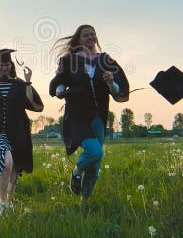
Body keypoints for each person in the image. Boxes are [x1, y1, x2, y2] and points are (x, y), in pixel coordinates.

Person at [48, 25, 129, 206]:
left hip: (99, 115)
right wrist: (60, 90)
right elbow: (59, 82)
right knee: (95, 151)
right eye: (86, 35)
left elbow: (117, 91)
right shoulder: (69, 60)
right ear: (79, 40)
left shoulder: (106, 60)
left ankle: (84, 202)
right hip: (77, 114)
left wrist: (111, 82)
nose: (91, 37)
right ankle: (76, 171)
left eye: (93, 34)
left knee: (95, 164)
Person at [0, 49, 44, 215]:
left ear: (11, 65)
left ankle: (10, 201)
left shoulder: (20, 84)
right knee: (5, 161)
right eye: (2, 64)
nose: (5, 67)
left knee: (14, 168)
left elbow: (35, 105)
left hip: (19, 131)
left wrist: (28, 82)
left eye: (7, 64)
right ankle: (3, 203)